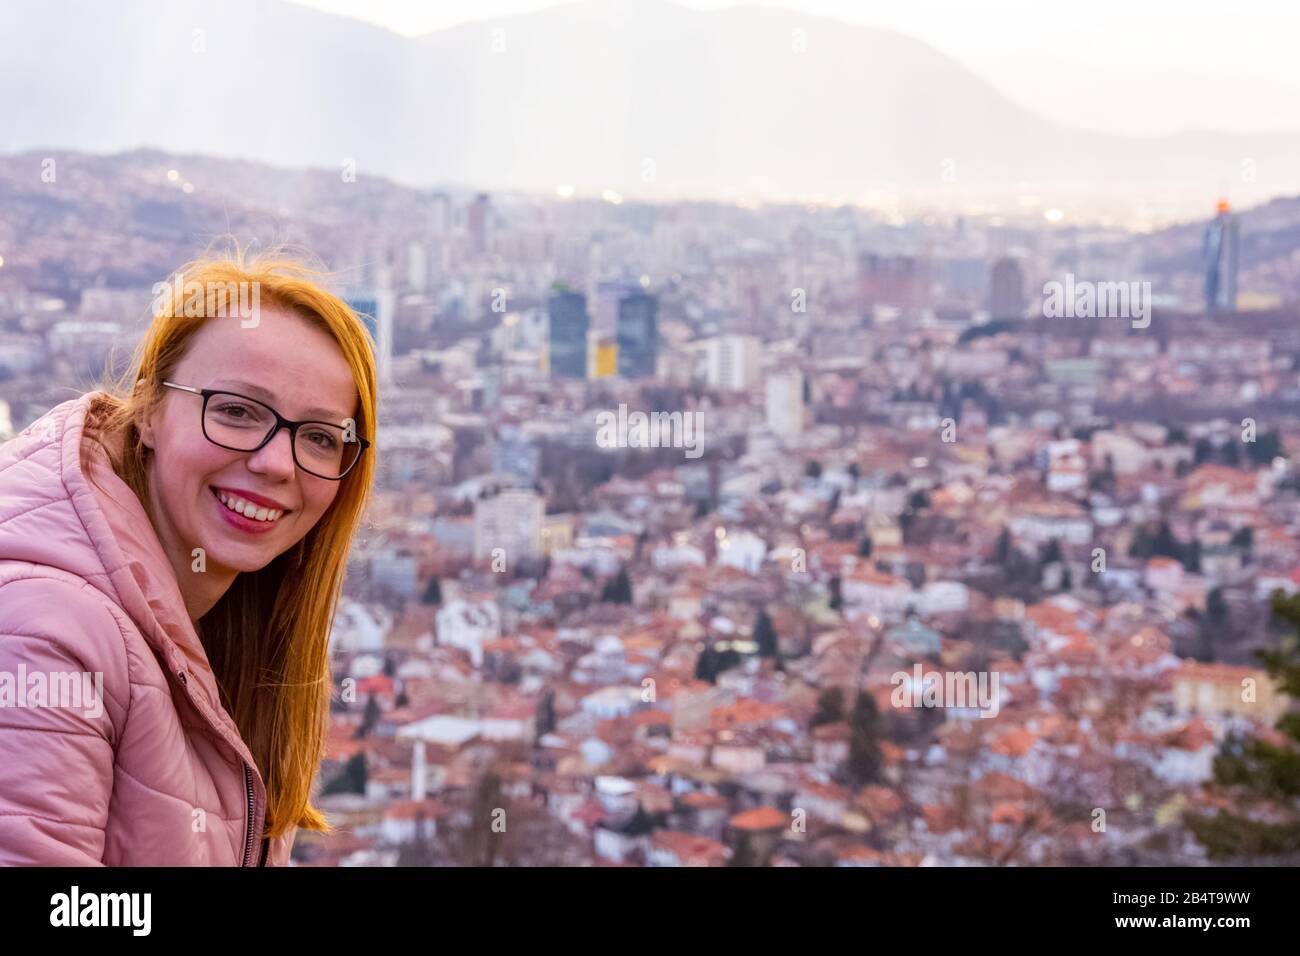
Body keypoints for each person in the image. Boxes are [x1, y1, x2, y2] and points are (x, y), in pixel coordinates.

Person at [0, 246, 377, 865]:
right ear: (147, 409)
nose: (276, 463)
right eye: (235, 410)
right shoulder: (43, 631)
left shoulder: (230, 629)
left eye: (318, 436)